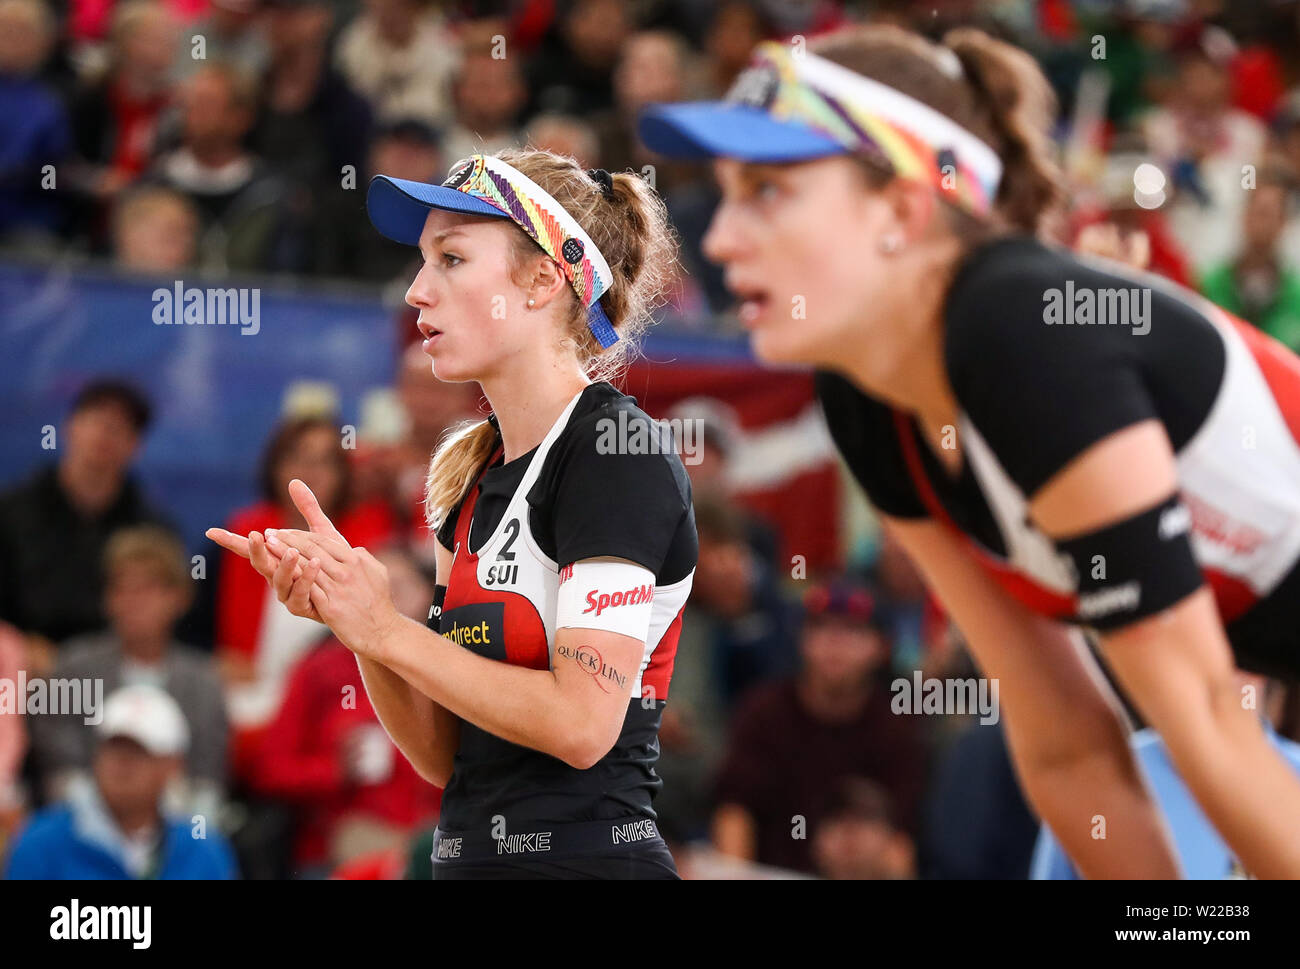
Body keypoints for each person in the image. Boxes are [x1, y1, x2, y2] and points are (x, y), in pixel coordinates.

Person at [639, 24, 1300, 878]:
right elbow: (1065, 740)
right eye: (724, 192)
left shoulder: (1022, 334)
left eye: (767, 190)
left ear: (905, 208)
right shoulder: (868, 393)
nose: (721, 239)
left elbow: (1207, 711)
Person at [208, 147, 697, 879]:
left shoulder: (612, 449)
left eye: (451, 259)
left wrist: (388, 628)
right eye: (421, 261)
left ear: (541, 279)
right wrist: (360, 623)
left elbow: (581, 723)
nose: (415, 291)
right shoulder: (467, 473)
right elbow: (442, 755)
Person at [710, 576, 924, 875]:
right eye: (820, 626)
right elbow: (734, 811)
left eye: (852, 629)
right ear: (801, 639)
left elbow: (901, 839)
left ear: (882, 647)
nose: (834, 643)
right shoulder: (764, 713)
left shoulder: (896, 727)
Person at [32, 525, 228, 821]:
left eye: (147, 588)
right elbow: (60, 770)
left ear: (179, 597)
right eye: (121, 588)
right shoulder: (72, 669)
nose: (133, 602)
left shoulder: (203, 683)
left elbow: (208, 782)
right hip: (83, 834)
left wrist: (168, 836)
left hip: (176, 838)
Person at [0, 379, 173, 662]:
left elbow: (166, 624)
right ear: (70, 426)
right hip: (20, 672)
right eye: (97, 420)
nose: (105, 434)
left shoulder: (152, 531)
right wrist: (17, 647)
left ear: (136, 445)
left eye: (120, 427)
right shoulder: (9, 514)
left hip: (118, 677)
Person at [4, 684, 238, 879]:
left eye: (140, 752)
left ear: (172, 766)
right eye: (113, 747)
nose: (122, 762)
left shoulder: (203, 849)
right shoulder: (41, 841)